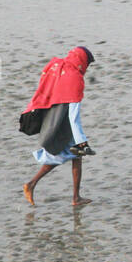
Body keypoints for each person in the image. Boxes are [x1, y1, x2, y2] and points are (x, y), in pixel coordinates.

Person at [21, 46, 96, 207]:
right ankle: (33, 184)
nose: (86, 69)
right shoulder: (75, 79)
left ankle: (74, 196)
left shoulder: (55, 66)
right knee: (67, 154)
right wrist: (82, 141)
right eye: (87, 65)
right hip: (62, 121)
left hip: (51, 115)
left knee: (72, 155)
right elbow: (73, 117)